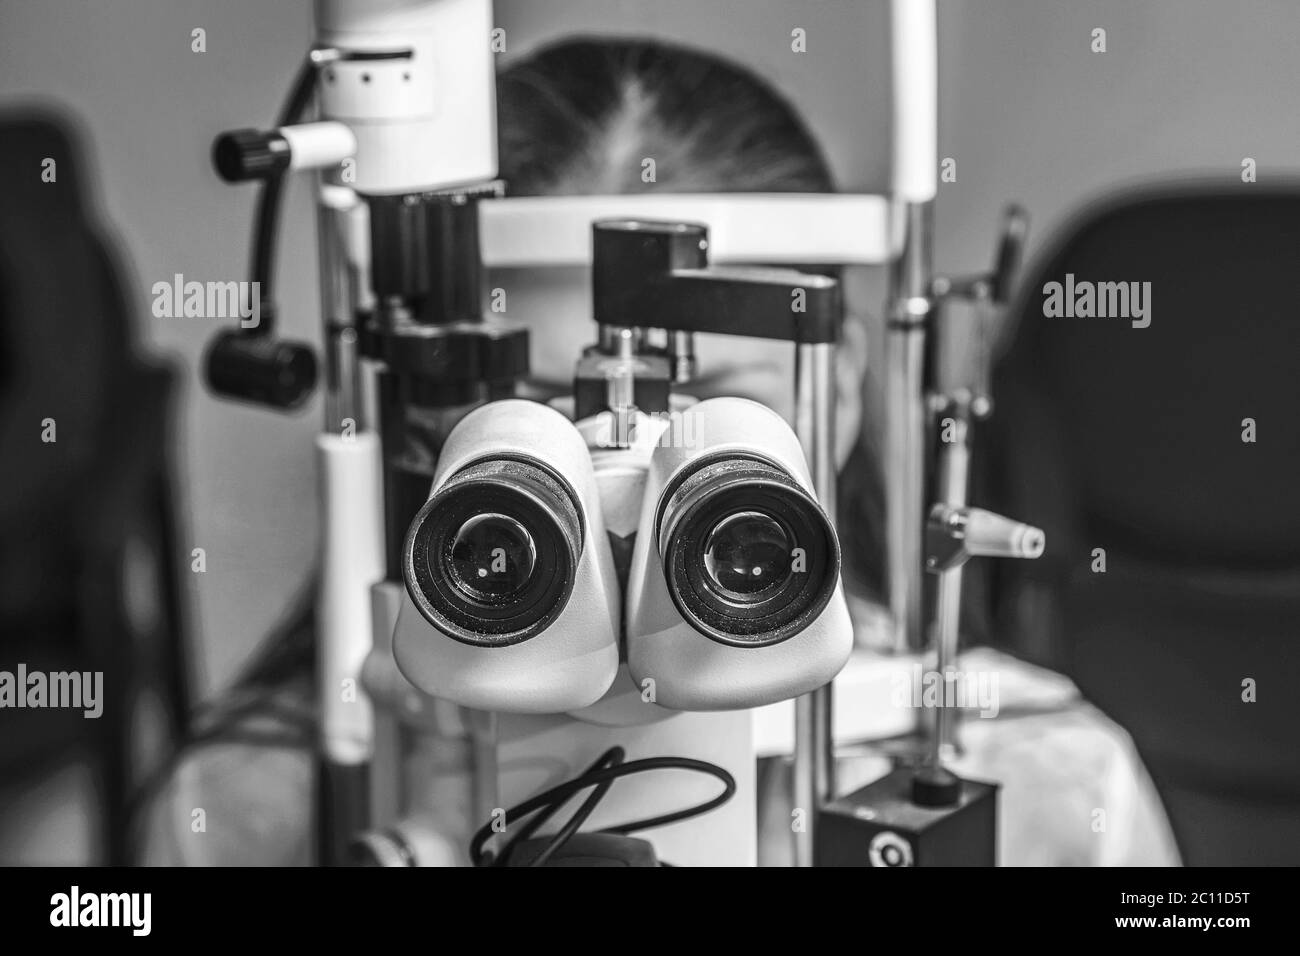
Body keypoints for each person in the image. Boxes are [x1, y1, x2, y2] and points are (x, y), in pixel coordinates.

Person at [143, 36, 1177, 867]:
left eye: (710, 406)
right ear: (428, 423)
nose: (623, 465)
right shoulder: (253, 804)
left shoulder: (1053, 788)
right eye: (548, 410)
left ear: (842, 386)